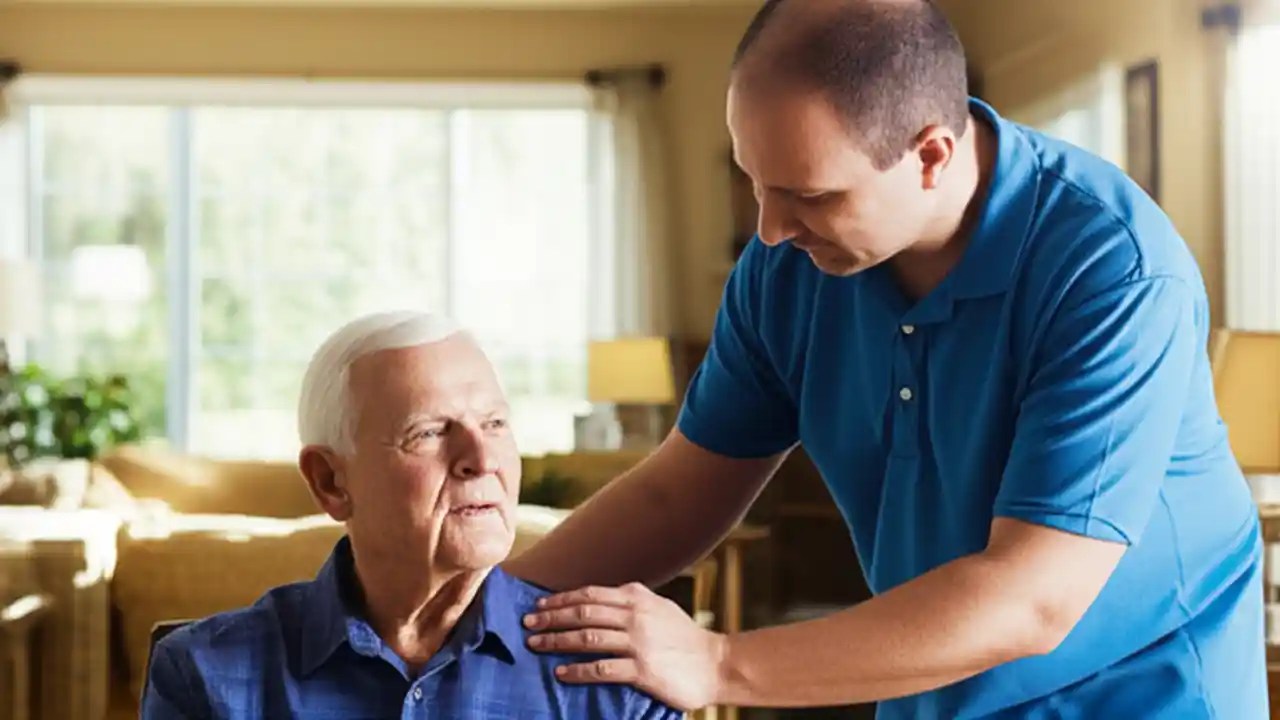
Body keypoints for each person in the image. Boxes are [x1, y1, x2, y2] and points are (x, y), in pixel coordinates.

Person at [506, 1, 1266, 718]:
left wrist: (719, 663)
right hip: (935, 687)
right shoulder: (789, 267)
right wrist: (479, 612)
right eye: (754, 182)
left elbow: (1031, 599)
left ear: (931, 154)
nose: (768, 230)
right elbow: (678, 496)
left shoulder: (1111, 270)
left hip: (1139, 695)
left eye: (808, 194)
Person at [141, 312, 680, 719]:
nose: (482, 458)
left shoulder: (614, 676)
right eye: (429, 432)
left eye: (494, 424)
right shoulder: (206, 676)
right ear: (331, 482)